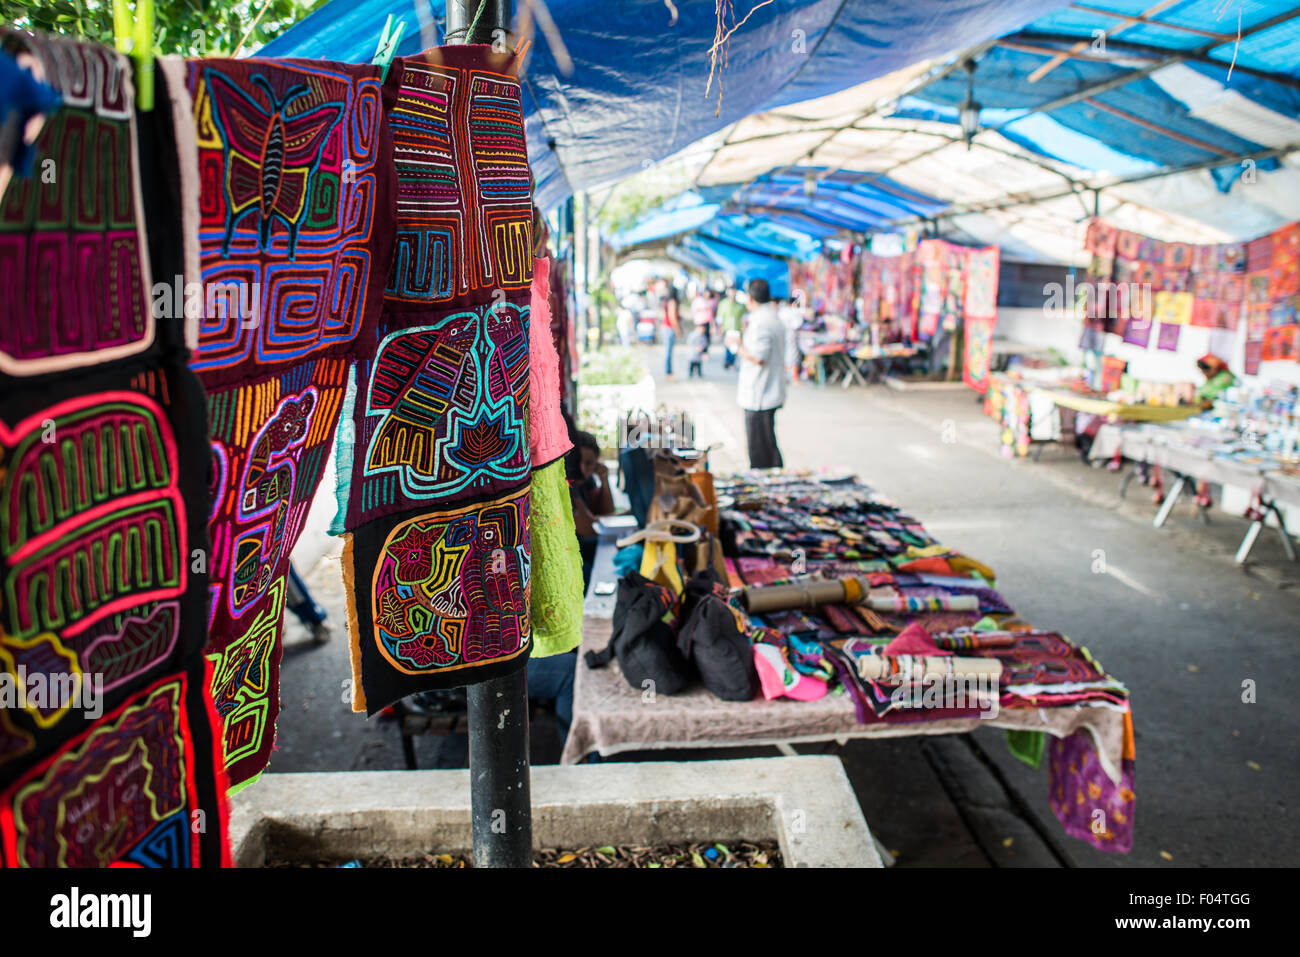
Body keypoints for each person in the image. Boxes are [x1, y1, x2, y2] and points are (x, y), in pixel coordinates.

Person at [736, 278, 787, 469]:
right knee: (767, 444)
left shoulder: (761, 322)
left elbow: (759, 357)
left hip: (760, 393)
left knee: (760, 448)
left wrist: (738, 348)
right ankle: (776, 482)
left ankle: (768, 487)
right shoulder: (771, 317)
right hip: (767, 391)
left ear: (751, 298)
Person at [717, 287, 745, 369]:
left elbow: (743, 318)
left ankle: (732, 362)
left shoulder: (740, 305)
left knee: (735, 345)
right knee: (728, 346)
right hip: (727, 328)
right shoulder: (723, 304)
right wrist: (720, 328)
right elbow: (720, 317)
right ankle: (727, 361)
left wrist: (743, 328)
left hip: (737, 328)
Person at [662, 286, 680, 378]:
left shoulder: (667, 301)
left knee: (668, 351)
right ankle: (668, 372)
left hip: (666, 327)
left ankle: (668, 371)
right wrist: (677, 330)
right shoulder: (672, 302)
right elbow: (672, 317)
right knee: (668, 352)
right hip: (669, 328)